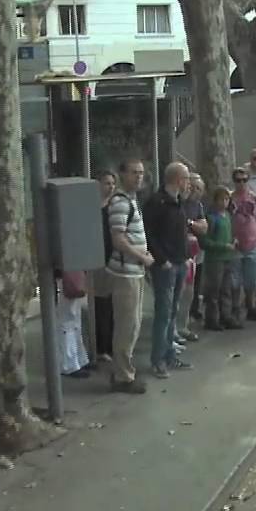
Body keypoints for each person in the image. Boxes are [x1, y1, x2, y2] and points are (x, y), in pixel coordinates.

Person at [101, 159, 154, 394]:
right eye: (134, 172)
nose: (139, 177)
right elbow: (119, 240)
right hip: (125, 274)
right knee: (127, 325)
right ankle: (123, 376)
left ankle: (123, 371)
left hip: (134, 270)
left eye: (141, 173)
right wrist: (141, 256)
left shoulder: (131, 200)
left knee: (132, 325)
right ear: (122, 174)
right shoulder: (121, 203)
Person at [143, 162, 195, 379]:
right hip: (166, 265)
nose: (188, 183)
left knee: (173, 311)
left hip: (180, 262)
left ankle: (169, 354)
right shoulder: (157, 202)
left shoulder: (178, 201)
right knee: (163, 312)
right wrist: (161, 259)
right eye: (186, 178)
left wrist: (186, 256)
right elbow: (149, 234)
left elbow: (180, 232)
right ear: (177, 179)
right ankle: (158, 360)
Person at [230, 167, 256, 323]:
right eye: (238, 180)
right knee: (235, 280)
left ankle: (251, 307)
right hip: (235, 245)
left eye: (244, 180)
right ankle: (235, 308)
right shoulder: (230, 198)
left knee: (252, 280)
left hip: (252, 244)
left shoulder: (254, 199)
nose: (242, 183)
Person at [200, 186, 240, 330]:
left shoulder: (228, 216)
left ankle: (226, 316)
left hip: (228, 257)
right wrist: (223, 246)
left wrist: (233, 241)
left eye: (226, 199)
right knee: (214, 291)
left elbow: (230, 233)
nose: (224, 203)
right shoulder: (211, 218)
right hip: (215, 259)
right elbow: (205, 242)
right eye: (221, 199)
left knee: (226, 289)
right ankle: (212, 319)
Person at [178, 173, 208, 341]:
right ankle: (173, 330)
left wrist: (190, 223)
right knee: (178, 292)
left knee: (189, 291)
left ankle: (183, 326)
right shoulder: (178, 202)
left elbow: (204, 227)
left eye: (199, 188)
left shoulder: (198, 205)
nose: (195, 191)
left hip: (193, 254)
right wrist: (193, 225)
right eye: (192, 187)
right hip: (178, 254)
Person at [94, 170, 118, 363]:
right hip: (98, 261)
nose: (110, 187)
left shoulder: (115, 207)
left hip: (114, 260)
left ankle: (111, 344)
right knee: (101, 304)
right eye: (106, 183)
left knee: (113, 305)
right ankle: (102, 346)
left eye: (112, 183)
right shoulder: (92, 208)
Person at [57, 271, 91, 377]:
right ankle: (69, 364)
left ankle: (78, 360)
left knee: (74, 320)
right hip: (64, 274)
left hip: (68, 272)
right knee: (67, 322)